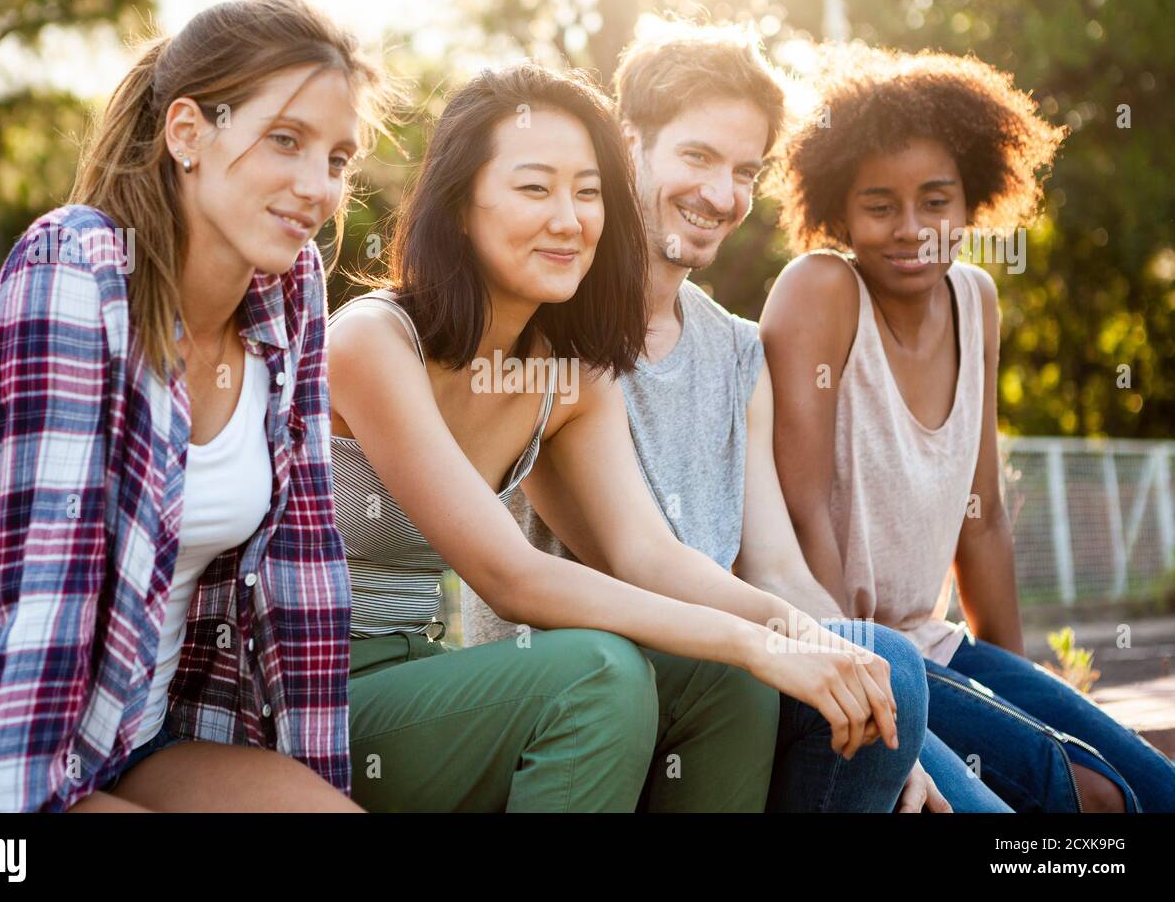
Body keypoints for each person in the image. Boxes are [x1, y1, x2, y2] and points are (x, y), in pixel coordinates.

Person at [328, 60, 922, 813]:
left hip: (425, 672)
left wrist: (805, 637)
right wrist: (753, 638)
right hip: (321, 697)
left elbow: (648, 555)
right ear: (462, 203)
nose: (569, 218)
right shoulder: (375, 342)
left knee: (728, 679)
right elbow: (511, 577)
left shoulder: (568, 377)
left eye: (588, 192)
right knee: (599, 671)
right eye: (535, 187)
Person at [0, 0, 393, 812]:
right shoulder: (75, 269)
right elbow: (44, 595)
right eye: (285, 141)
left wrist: (308, 776)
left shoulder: (291, 295)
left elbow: (303, 573)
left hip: (142, 734)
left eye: (337, 158)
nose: (316, 188)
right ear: (187, 133)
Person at [461, 18, 967, 812]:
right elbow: (643, 559)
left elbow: (776, 567)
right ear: (627, 145)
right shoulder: (554, 335)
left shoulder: (737, 351)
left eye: (744, 170)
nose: (722, 195)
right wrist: (828, 658)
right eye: (697, 156)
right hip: (596, 696)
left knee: (899, 685)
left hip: (734, 692)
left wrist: (868, 687)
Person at [760, 45, 1175, 812]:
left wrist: (1018, 693)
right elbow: (802, 507)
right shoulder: (820, 292)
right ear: (839, 211)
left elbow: (979, 520)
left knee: (1150, 786)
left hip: (940, 644)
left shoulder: (976, 299)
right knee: (1080, 795)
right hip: (852, 658)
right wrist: (856, 659)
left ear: (974, 198)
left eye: (936, 200)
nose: (911, 227)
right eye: (879, 205)